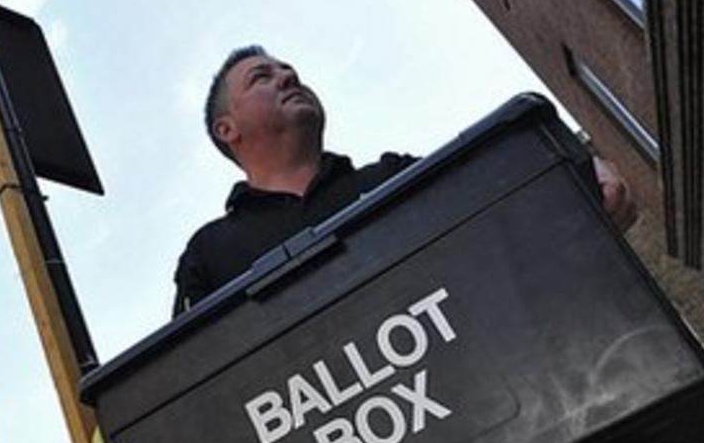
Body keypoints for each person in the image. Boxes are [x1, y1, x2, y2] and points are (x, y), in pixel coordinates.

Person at [173, 44, 639, 317]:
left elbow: (512, 201)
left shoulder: (399, 177)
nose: (288, 74)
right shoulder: (212, 255)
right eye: (262, 77)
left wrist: (578, 171)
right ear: (227, 129)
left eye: (287, 69)